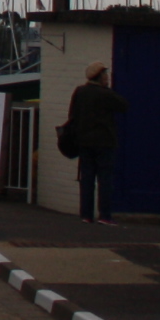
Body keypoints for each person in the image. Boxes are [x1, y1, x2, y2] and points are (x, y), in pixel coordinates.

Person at [66, 62, 131, 225]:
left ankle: (86, 215)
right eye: (106, 76)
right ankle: (105, 215)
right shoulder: (105, 94)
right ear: (100, 77)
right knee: (105, 180)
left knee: (87, 179)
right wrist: (108, 89)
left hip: (84, 142)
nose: (107, 78)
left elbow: (72, 115)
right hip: (104, 142)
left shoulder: (80, 92)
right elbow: (124, 105)